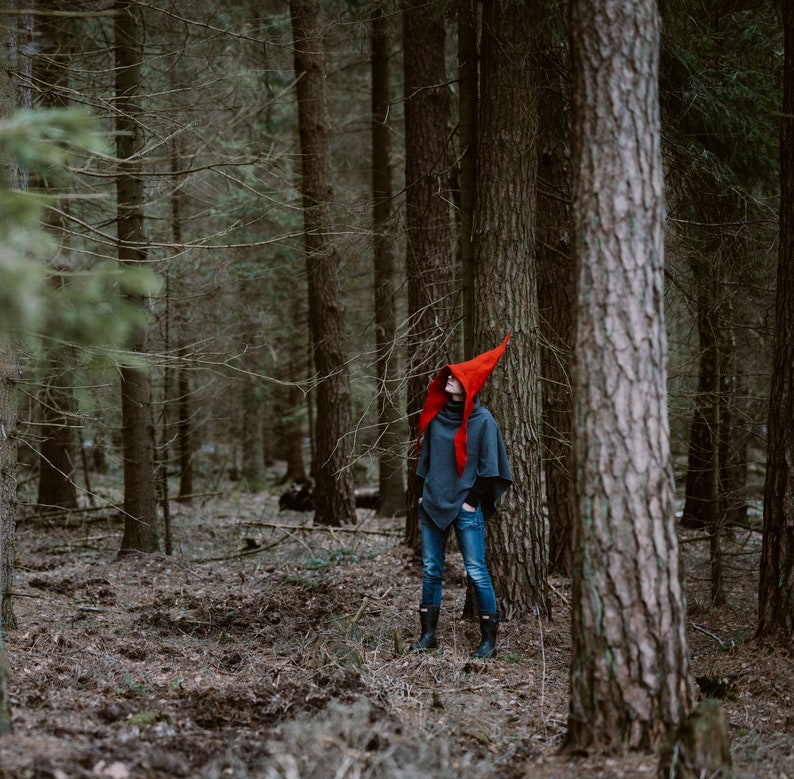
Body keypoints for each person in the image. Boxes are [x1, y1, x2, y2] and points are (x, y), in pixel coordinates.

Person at [409, 334, 513, 659]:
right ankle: (428, 635)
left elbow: (489, 468)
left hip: (466, 507)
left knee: (476, 570)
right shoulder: (437, 417)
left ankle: (488, 641)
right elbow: (425, 462)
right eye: (448, 376)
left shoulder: (483, 421)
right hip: (432, 504)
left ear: (469, 385)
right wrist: (421, 496)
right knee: (431, 570)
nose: (449, 380)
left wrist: (470, 502)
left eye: (455, 377)